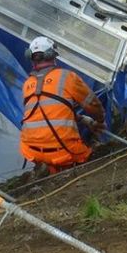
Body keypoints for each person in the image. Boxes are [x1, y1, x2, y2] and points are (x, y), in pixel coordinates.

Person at [19, 36, 105, 174]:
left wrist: (83, 119)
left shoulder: (27, 84)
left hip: (31, 151)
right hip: (64, 151)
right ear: (53, 55)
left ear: (31, 57)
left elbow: (49, 113)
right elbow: (93, 105)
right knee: (93, 152)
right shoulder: (67, 77)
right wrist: (99, 121)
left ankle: (49, 167)